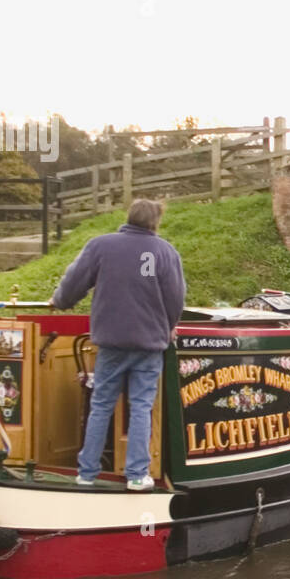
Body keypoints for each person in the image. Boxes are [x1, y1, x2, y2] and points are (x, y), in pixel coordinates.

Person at [51, 198, 186, 491]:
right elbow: (175, 299)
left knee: (101, 404)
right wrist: (168, 327)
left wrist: (60, 301)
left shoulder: (100, 245)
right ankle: (137, 475)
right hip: (149, 345)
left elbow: (75, 281)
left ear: (129, 216)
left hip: (111, 343)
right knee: (141, 407)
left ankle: (87, 472)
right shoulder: (166, 253)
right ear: (156, 221)